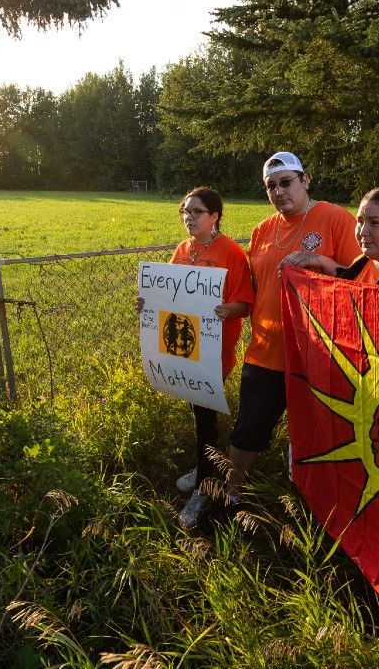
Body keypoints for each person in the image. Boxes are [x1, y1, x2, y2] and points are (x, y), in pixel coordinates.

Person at [225, 151, 362, 505]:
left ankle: (307, 506)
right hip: (265, 352)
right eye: (271, 186)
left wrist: (320, 260)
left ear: (305, 180)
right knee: (247, 431)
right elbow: (250, 290)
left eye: (286, 182)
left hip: (317, 354)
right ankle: (231, 496)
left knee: (314, 438)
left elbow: (362, 280)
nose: (279, 192)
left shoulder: (334, 218)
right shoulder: (261, 231)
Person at [135, 187, 254, 529]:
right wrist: (148, 304)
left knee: (205, 415)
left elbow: (244, 304)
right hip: (182, 350)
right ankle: (206, 463)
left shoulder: (230, 252)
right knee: (197, 413)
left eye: (197, 212)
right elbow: (169, 294)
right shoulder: (182, 250)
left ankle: (205, 487)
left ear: (215, 215)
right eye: (185, 212)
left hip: (211, 355)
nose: (189, 218)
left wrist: (223, 309)